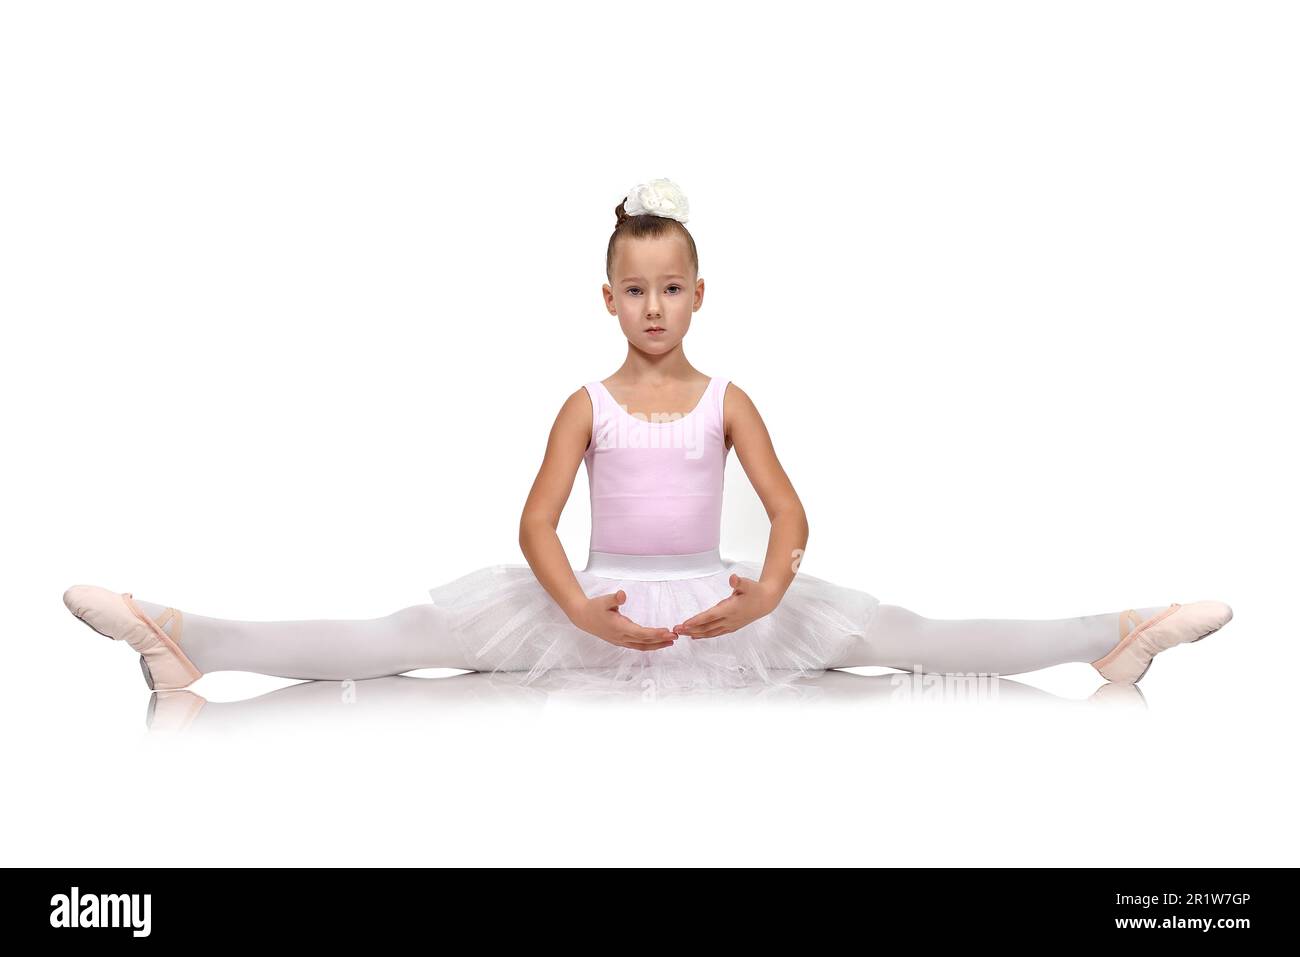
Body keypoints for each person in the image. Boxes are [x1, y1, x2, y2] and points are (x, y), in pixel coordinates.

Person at [62, 178, 1233, 695]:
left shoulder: (731, 399)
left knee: (903, 634)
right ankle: (186, 636)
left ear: (700, 294)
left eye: (672, 288)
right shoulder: (586, 402)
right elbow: (533, 521)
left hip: (721, 596)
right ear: (609, 300)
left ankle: (1114, 634)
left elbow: (788, 515)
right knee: (403, 637)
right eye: (635, 290)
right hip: (598, 597)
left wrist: (771, 592)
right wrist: (574, 607)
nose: (655, 307)